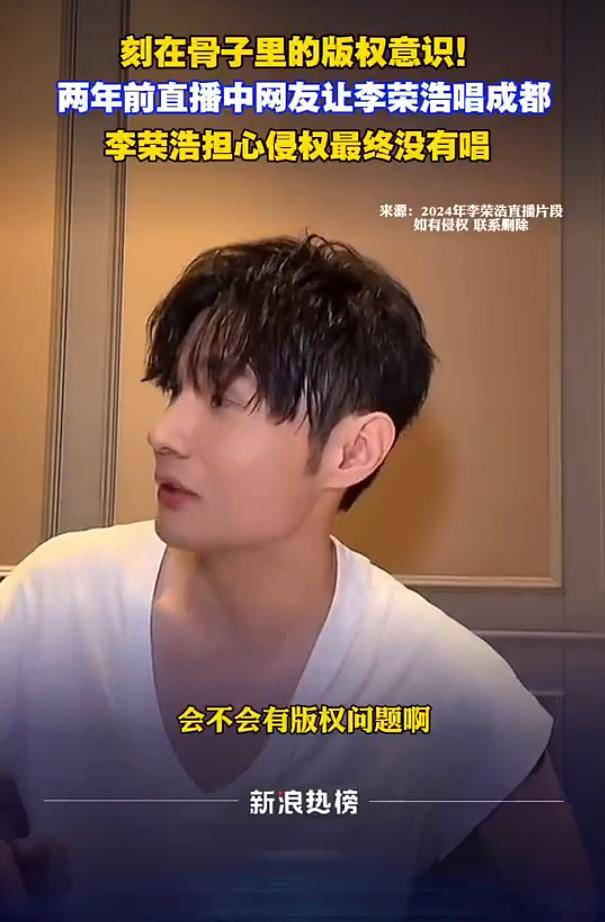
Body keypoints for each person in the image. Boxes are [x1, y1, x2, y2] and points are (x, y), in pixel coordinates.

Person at [0, 232, 598, 921]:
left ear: (353, 451)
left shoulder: (444, 682)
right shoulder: (57, 599)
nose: (165, 433)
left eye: (223, 399)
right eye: (175, 390)